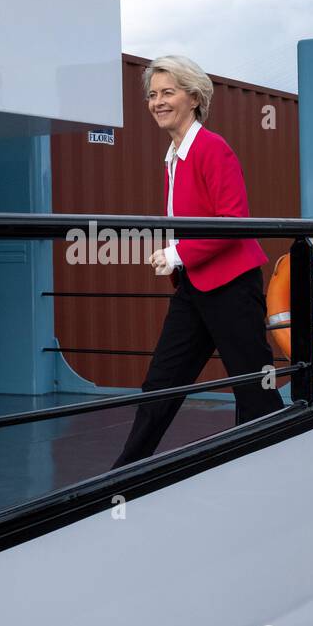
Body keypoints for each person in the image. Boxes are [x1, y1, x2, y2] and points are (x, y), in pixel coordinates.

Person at [113, 55, 285, 468]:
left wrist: (177, 253)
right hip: (195, 287)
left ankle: (280, 460)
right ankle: (124, 474)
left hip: (231, 286)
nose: (157, 101)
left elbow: (233, 222)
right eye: (152, 95)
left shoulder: (212, 148)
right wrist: (180, 260)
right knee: (162, 383)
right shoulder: (173, 157)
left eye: (167, 92)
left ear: (194, 96)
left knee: (254, 389)